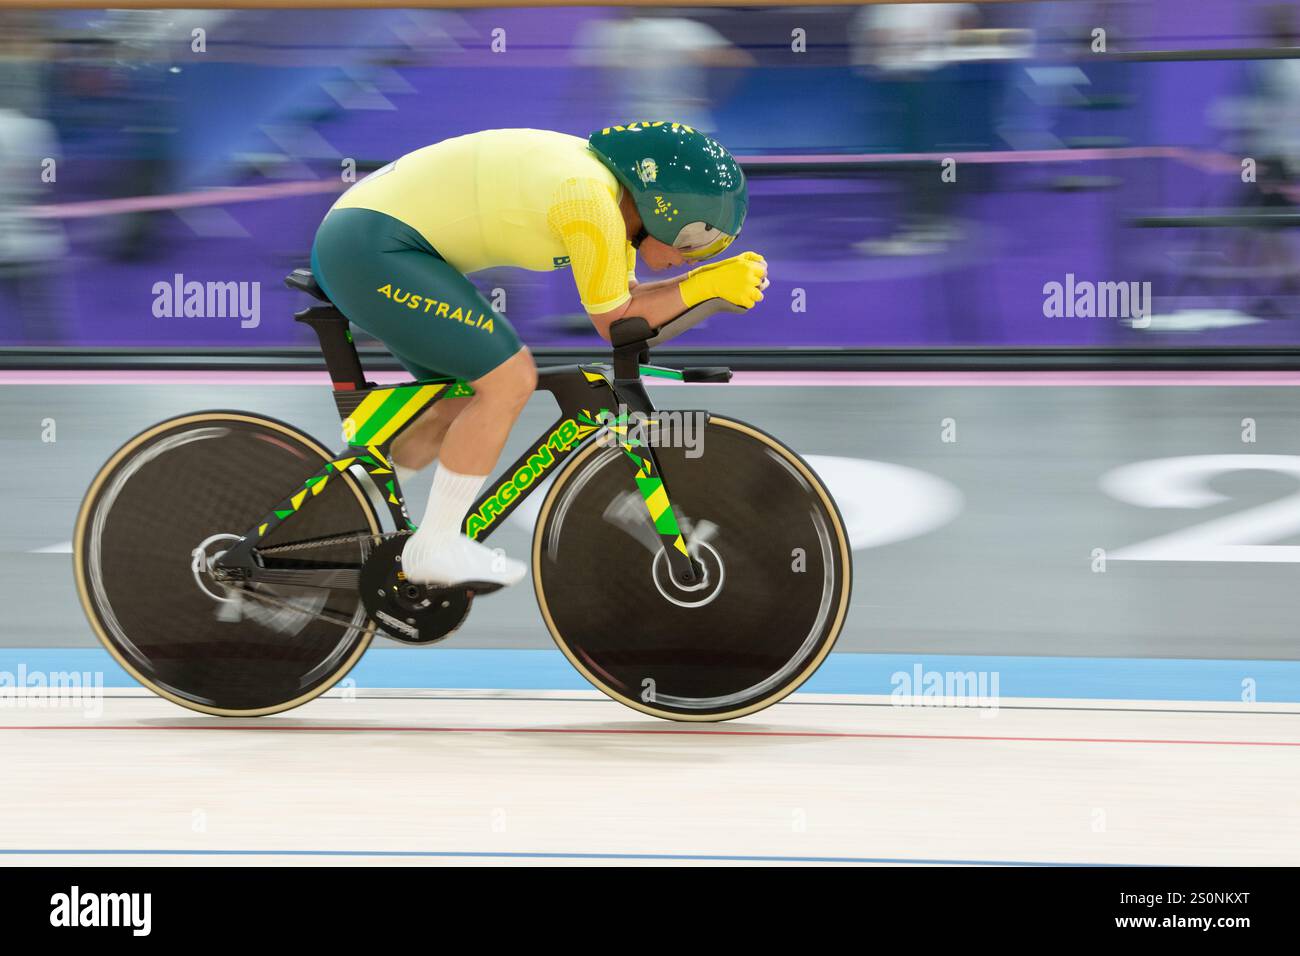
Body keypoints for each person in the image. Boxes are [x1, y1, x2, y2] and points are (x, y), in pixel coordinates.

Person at [310, 122, 765, 589]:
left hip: (371, 240)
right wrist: (704, 285)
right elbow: (616, 324)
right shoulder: (589, 201)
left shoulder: (612, 206)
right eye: (697, 240)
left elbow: (630, 309)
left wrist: (705, 284)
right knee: (509, 379)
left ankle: (337, 518)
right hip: (370, 246)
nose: (695, 256)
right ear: (664, 208)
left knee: (459, 404)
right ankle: (436, 545)